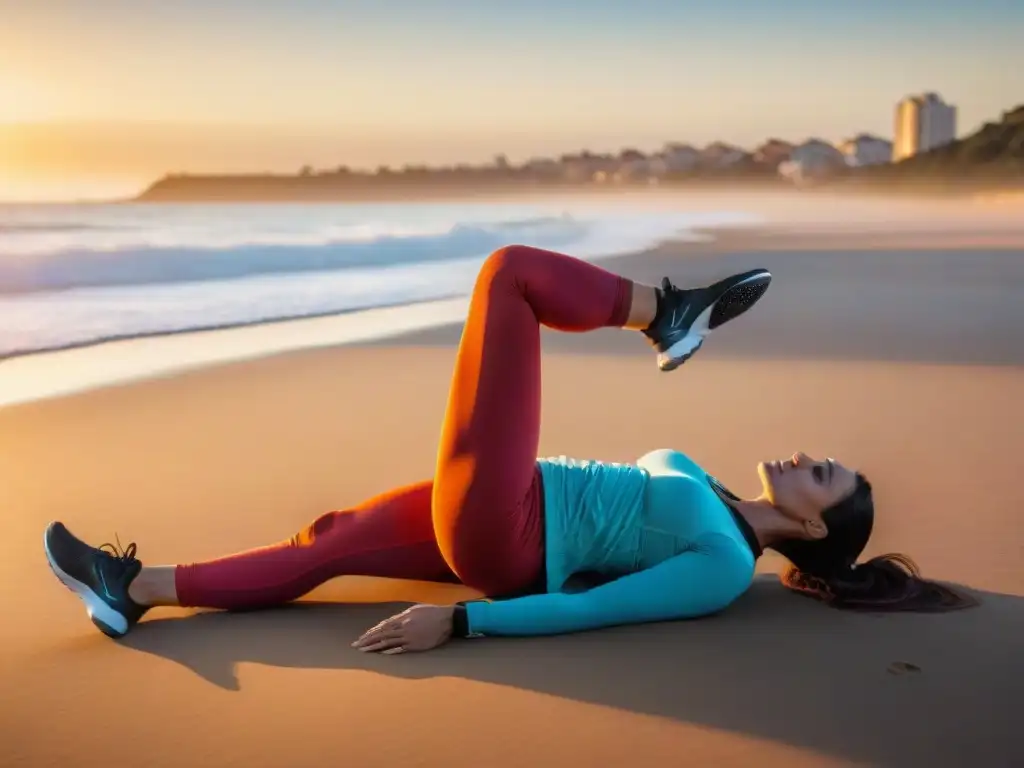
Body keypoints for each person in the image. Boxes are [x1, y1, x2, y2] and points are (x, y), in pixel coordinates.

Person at [43, 244, 976, 653]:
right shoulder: (720, 502)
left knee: (511, 276)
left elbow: (595, 613)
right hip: (512, 503)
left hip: (509, 531)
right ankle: (135, 591)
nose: (809, 457)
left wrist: (462, 622)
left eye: (824, 474)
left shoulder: (725, 568)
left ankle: (669, 313)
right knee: (325, 540)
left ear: (814, 526)